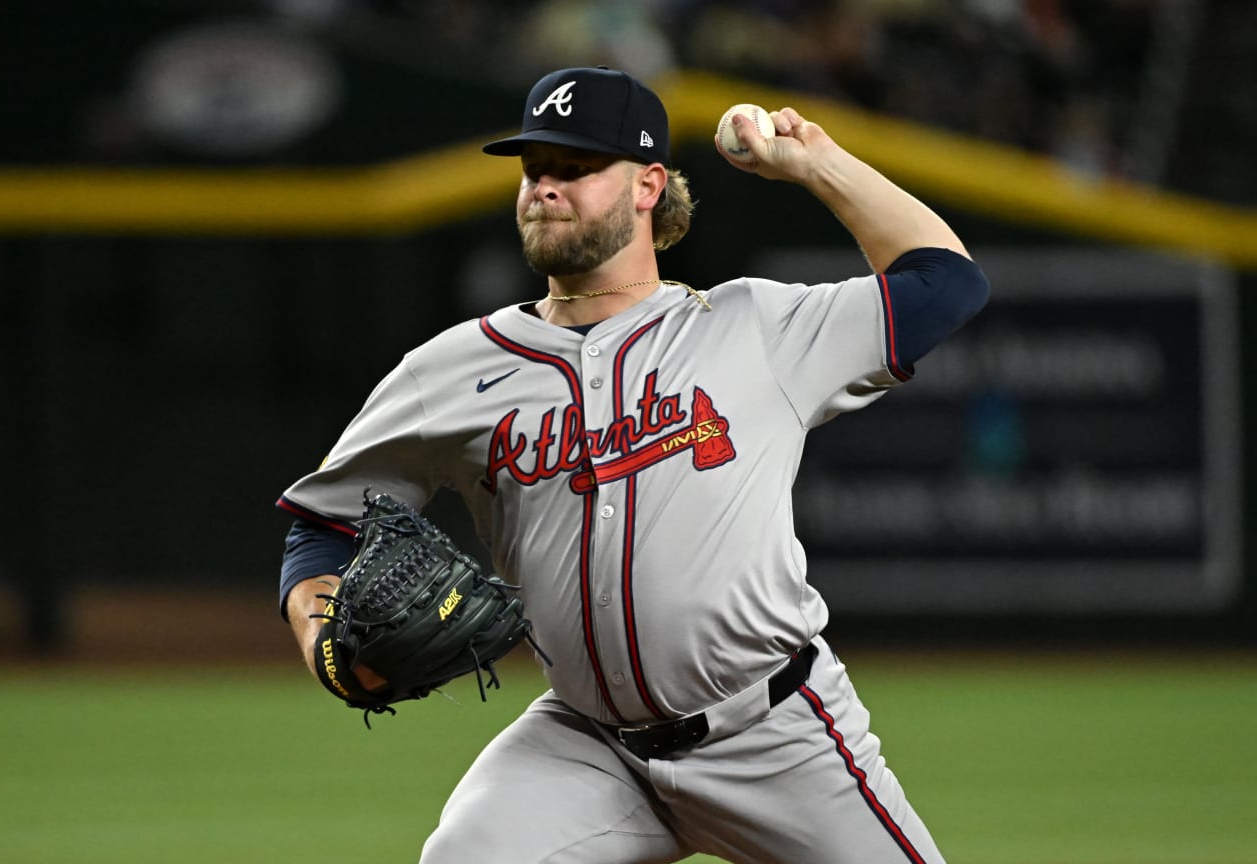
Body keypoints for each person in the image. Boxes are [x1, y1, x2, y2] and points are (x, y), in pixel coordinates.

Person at [276, 66, 988, 863]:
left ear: (649, 185)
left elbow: (945, 283)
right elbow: (321, 525)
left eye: (575, 169)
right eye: (535, 168)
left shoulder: (756, 326)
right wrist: (325, 645)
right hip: (587, 747)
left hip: (776, 734)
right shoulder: (451, 369)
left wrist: (816, 162)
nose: (546, 187)